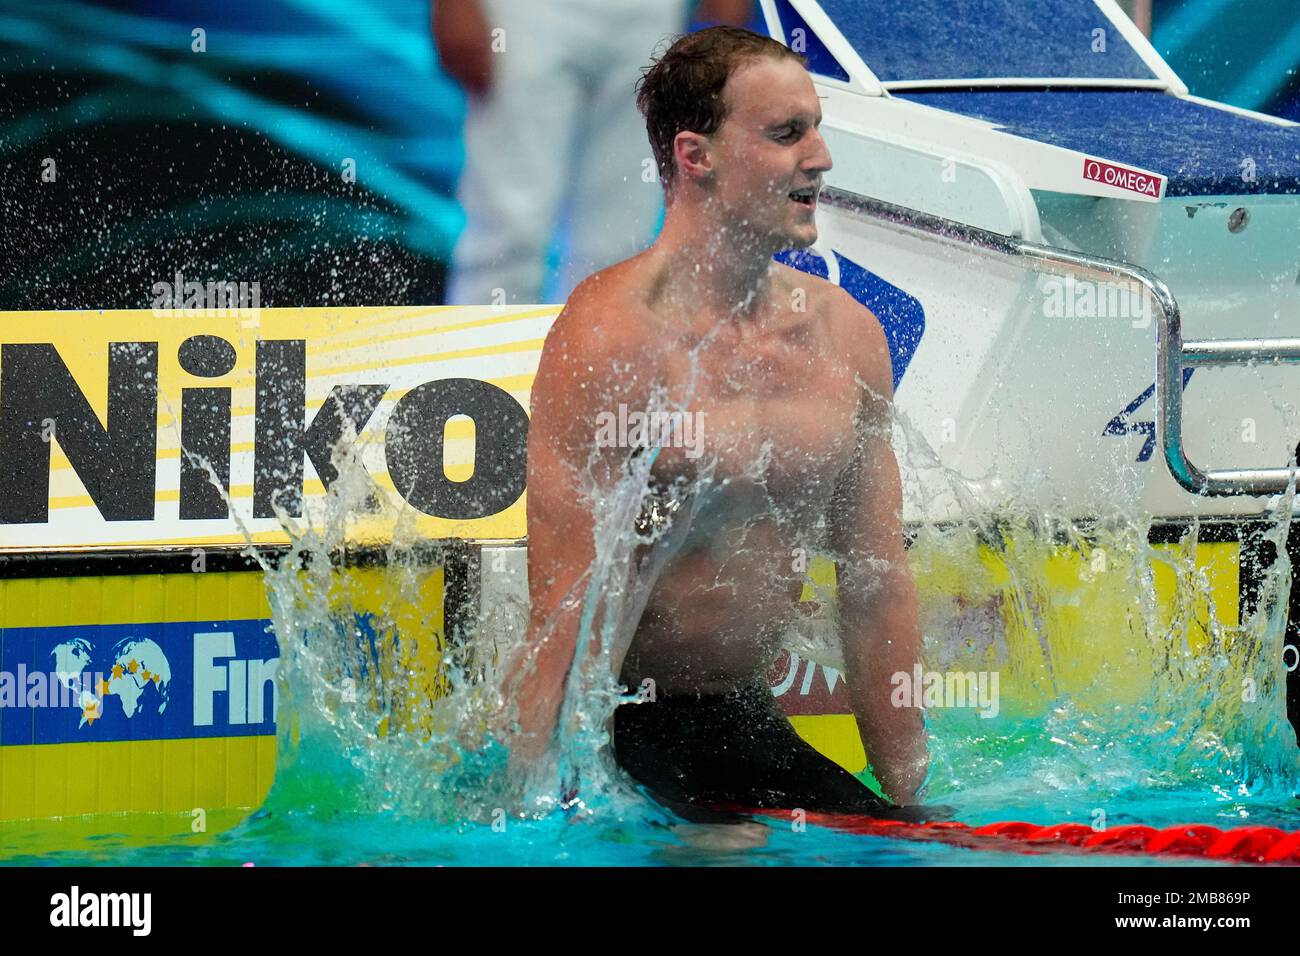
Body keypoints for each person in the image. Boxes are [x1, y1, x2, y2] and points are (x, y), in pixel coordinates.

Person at [506, 26, 933, 823]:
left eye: (817, 126)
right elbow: (560, 612)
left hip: (742, 718)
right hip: (620, 729)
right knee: (725, 848)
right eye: (785, 133)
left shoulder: (848, 336)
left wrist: (915, 809)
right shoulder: (611, 338)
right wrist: (521, 810)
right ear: (695, 155)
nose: (820, 156)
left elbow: (876, 586)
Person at [434, 0, 754, 306]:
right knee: (509, 231)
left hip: (650, 13)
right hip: (527, 13)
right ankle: (490, 360)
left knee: (622, 241)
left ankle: (590, 361)